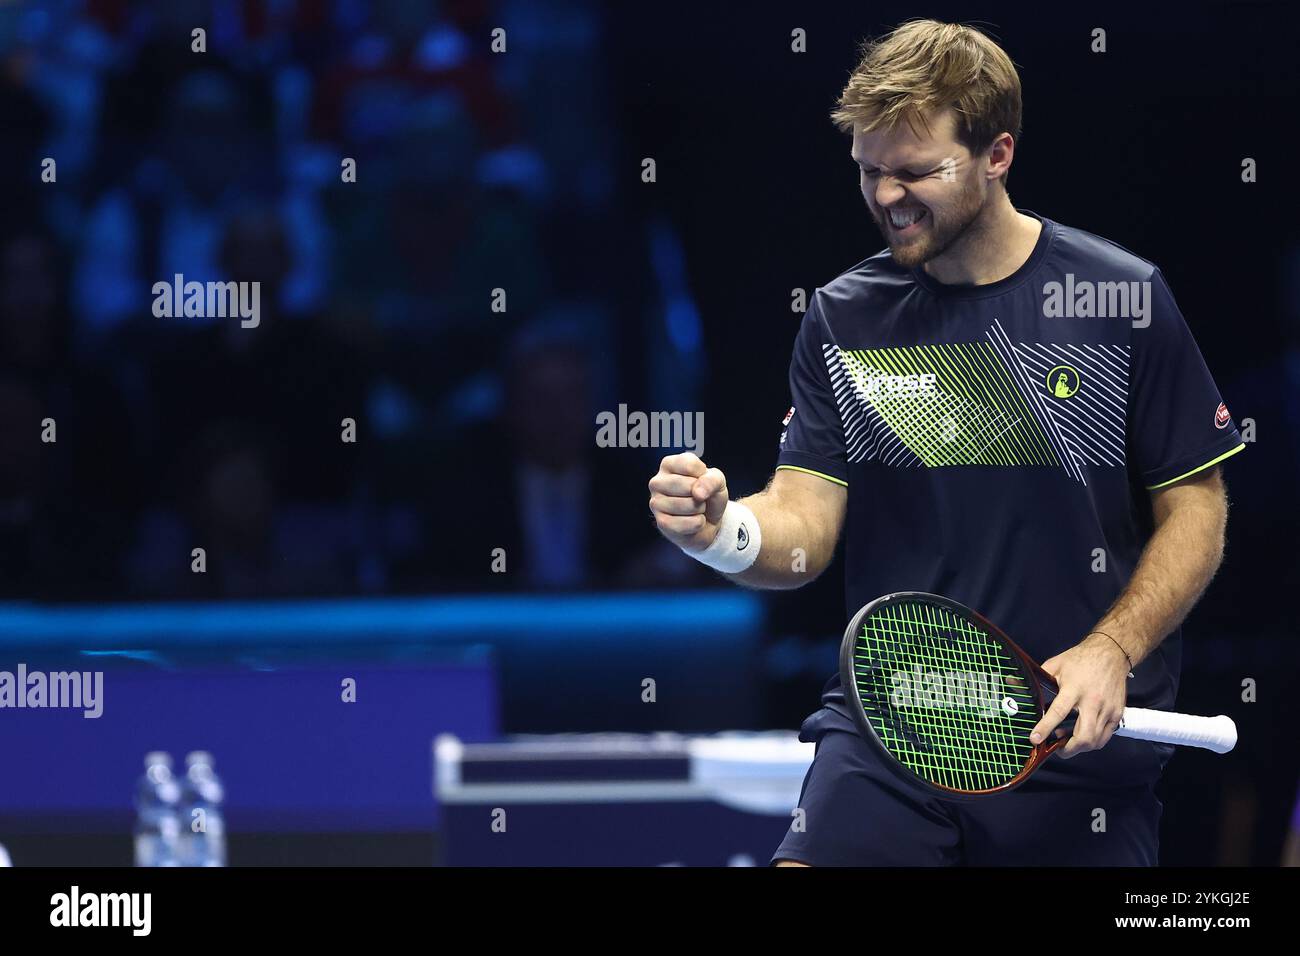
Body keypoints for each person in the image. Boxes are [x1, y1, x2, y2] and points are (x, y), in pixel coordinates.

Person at [647, 20, 1243, 866]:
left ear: (997, 154)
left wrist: (1113, 650)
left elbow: (1198, 511)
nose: (888, 195)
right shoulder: (843, 317)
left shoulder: (1120, 300)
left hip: (1071, 748)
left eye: (917, 171)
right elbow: (805, 527)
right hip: (894, 732)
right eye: (868, 170)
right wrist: (720, 532)